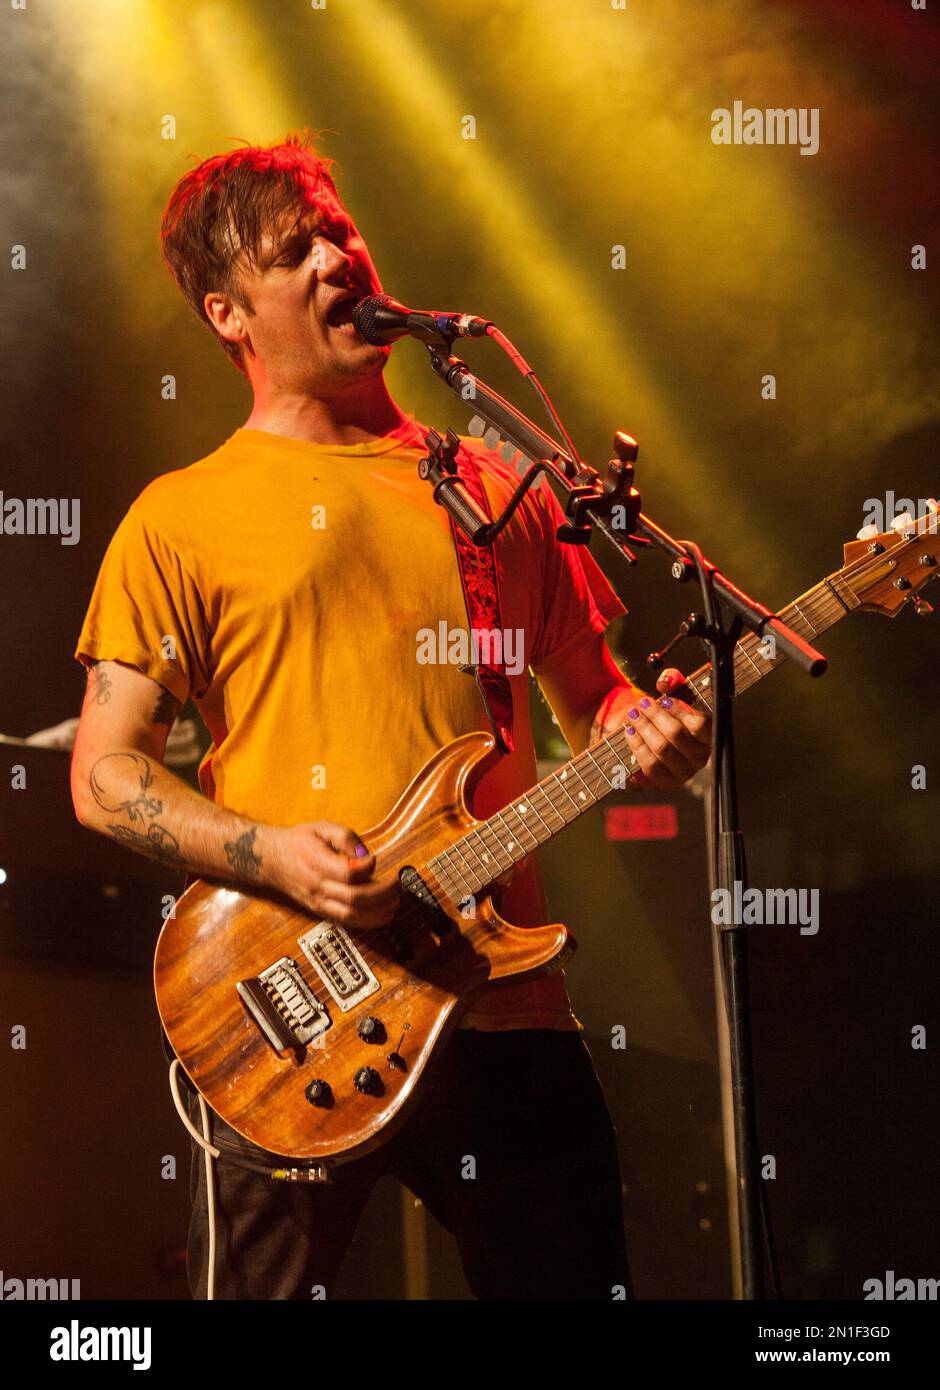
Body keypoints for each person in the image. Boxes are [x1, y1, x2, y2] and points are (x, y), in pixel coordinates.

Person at [69, 132, 711, 1300]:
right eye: (293, 249)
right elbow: (104, 775)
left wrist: (648, 728)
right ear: (227, 311)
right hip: (287, 1013)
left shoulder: (491, 483)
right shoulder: (179, 518)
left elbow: (595, 695)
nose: (336, 254)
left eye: (339, 228)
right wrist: (273, 856)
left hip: (504, 1002)